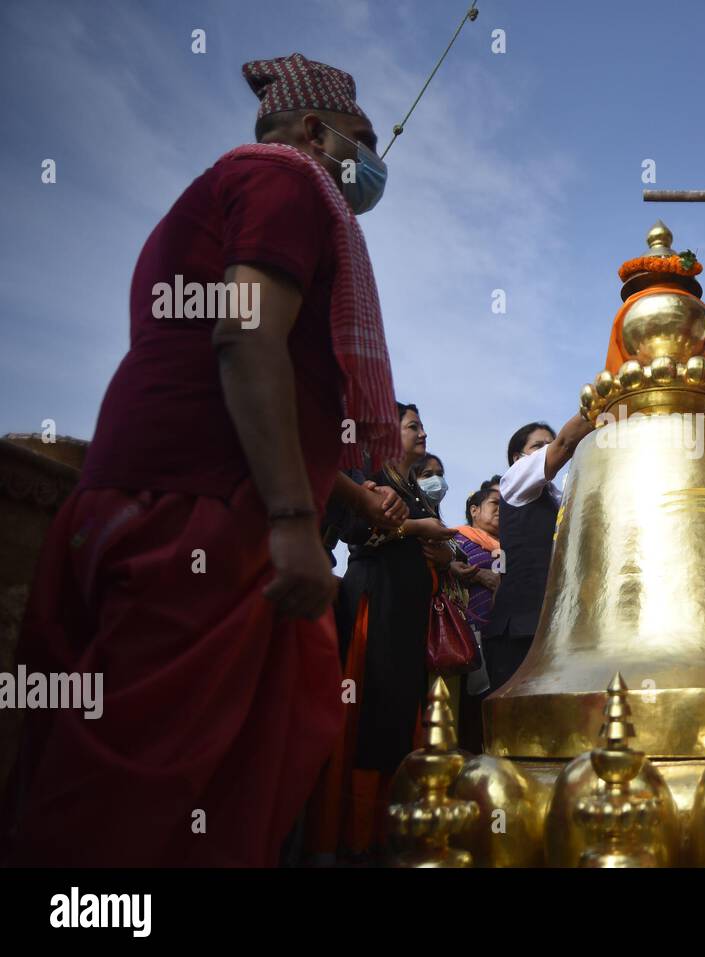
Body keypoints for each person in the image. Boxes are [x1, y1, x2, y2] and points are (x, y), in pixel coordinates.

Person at [2, 54, 404, 866]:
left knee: (150, 754)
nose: (371, 164)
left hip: (143, 492)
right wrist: (293, 520)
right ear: (315, 131)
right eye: (360, 141)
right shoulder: (284, 180)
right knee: (144, 791)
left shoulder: (214, 197)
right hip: (201, 510)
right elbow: (245, 334)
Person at [304, 404, 456, 862]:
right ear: (389, 435)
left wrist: (440, 553)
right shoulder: (367, 476)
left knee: (401, 713)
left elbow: (430, 546)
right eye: (413, 426)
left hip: (410, 613)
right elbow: (356, 532)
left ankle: (395, 830)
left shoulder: (418, 491)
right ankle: (354, 835)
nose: (423, 432)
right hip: (378, 602)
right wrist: (414, 528)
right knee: (371, 714)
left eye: (423, 424)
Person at [485, 415, 593, 692]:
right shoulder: (515, 480)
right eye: (538, 446)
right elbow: (567, 444)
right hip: (521, 626)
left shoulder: (560, 496)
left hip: (558, 625)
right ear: (517, 456)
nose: (547, 449)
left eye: (549, 443)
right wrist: (606, 402)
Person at [450, 479, 503, 752]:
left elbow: (503, 581)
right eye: (494, 504)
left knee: (489, 699)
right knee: (464, 705)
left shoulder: (502, 547)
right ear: (474, 510)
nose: (500, 510)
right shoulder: (455, 538)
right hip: (463, 632)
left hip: (497, 633)